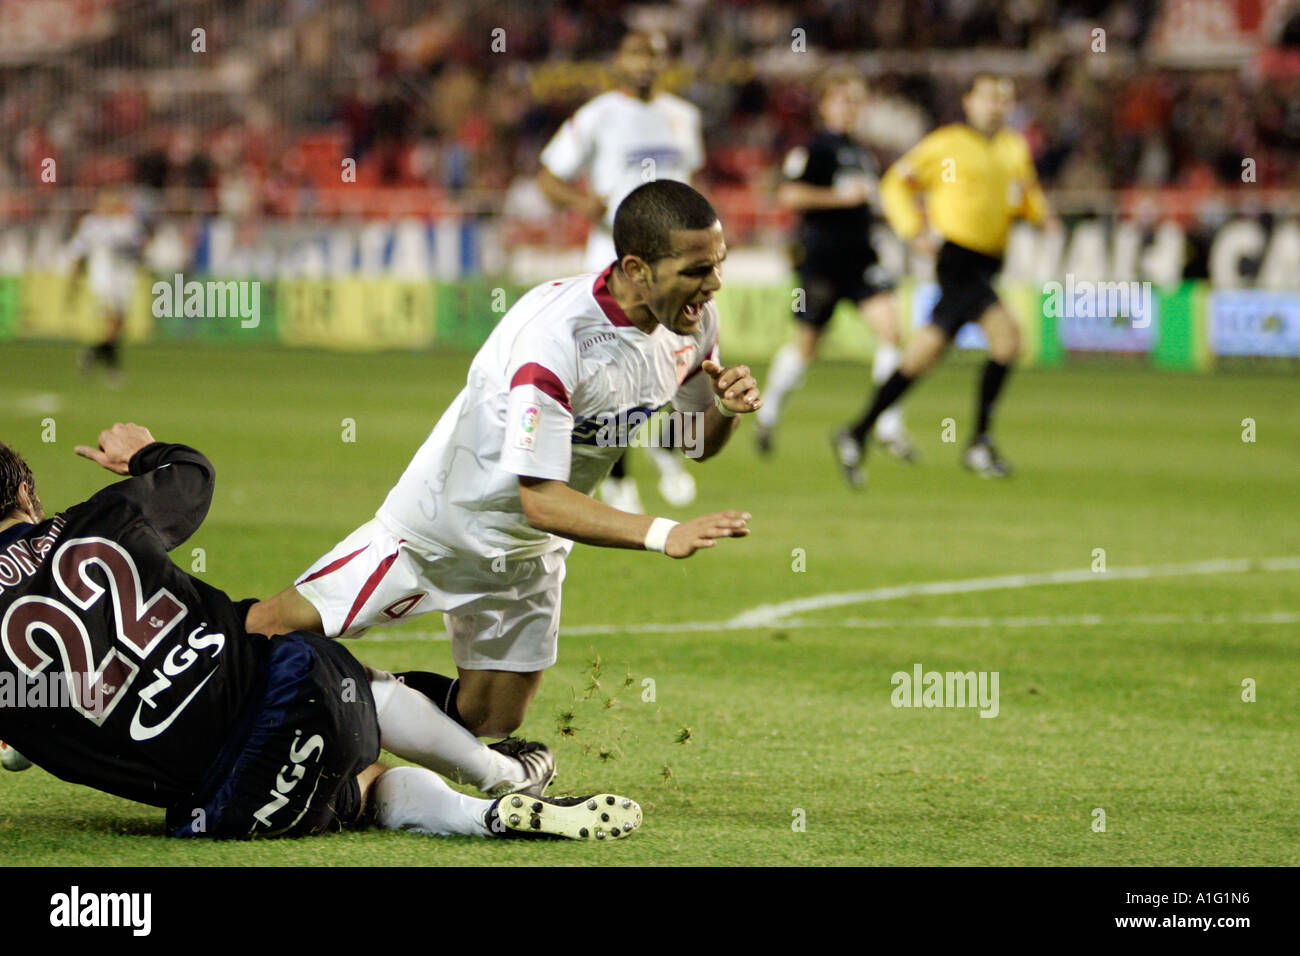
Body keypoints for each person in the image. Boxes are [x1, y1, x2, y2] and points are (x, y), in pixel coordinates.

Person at [251, 181, 761, 786]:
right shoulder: (555, 341)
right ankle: (252, 695)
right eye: (697, 269)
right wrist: (662, 533)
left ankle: (361, 694)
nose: (715, 283)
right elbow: (539, 498)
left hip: (529, 553)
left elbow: (692, 442)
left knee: (490, 716)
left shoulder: (693, 324)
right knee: (268, 632)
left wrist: (724, 411)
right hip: (442, 525)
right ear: (636, 268)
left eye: (719, 265)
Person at [0, 425, 641, 841]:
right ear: (26, 493)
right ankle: (501, 778)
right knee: (344, 677)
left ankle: (483, 820)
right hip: (296, 691)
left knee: (358, 792)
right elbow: (194, 475)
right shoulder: (97, 520)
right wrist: (142, 453)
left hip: (225, 803)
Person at [833, 74, 1052, 485]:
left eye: (1004, 98)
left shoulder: (1013, 146)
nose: (997, 105)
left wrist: (1042, 214)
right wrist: (912, 228)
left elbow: (1025, 192)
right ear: (968, 101)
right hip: (958, 260)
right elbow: (897, 180)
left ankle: (856, 431)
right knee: (1008, 340)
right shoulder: (946, 144)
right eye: (989, 96)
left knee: (921, 356)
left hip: (989, 262)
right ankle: (978, 443)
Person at [538, 28, 704, 511]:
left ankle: (667, 448)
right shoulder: (597, 116)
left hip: (675, 260)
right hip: (615, 255)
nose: (646, 63)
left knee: (685, 360)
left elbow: (692, 181)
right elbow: (548, 176)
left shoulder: (683, 117)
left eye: (655, 54)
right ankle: (619, 475)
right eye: (637, 54)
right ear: (620, 59)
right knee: (612, 369)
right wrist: (580, 202)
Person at [756, 71, 914, 464]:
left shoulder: (863, 152)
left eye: (854, 101)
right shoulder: (815, 149)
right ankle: (769, 412)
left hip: (862, 260)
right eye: (841, 100)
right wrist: (839, 198)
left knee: (892, 334)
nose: (848, 108)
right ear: (825, 106)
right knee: (806, 348)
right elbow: (790, 193)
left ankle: (886, 423)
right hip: (822, 262)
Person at [66, 188, 144, 386]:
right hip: (103, 278)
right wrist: (73, 282)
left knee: (119, 325)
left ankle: (91, 353)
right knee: (111, 322)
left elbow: (139, 247)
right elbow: (77, 253)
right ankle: (114, 370)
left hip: (124, 278)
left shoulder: (127, 223)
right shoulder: (91, 225)